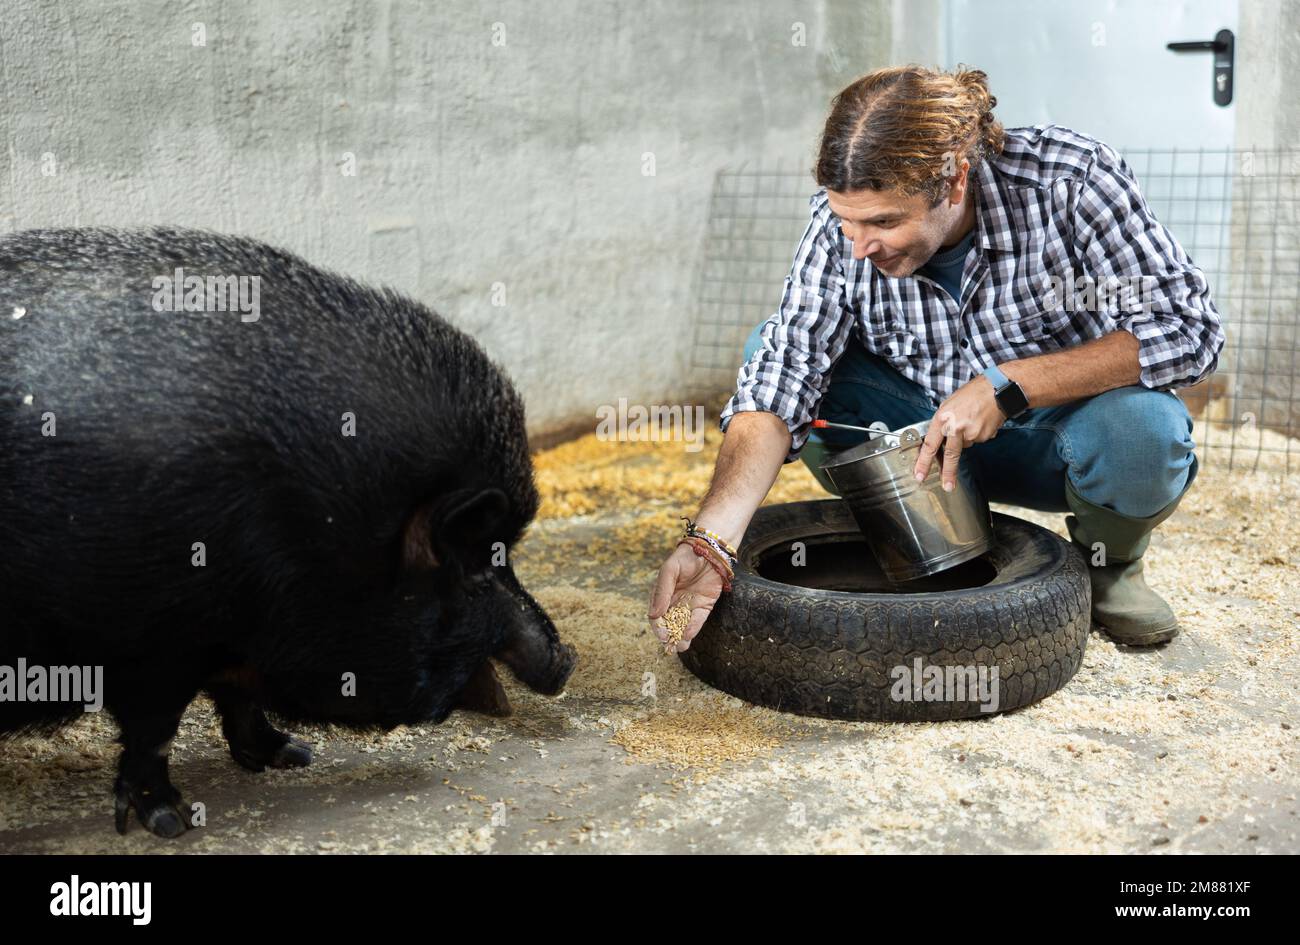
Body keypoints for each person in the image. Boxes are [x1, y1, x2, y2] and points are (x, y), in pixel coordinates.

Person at [648, 64, 1224, 651]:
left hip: (1055, 441)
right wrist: (710, 542)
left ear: (952, 184)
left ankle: (1109, 569)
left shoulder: (1070, 179)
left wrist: (1010, 385)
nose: (859, 245)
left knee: (1145, 428)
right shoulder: (841, 228)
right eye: (846, 219)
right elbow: (781, 377)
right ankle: (912, 528)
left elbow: (1190, 329)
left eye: (884, 222)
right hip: (915, 445)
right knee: (766, 349)